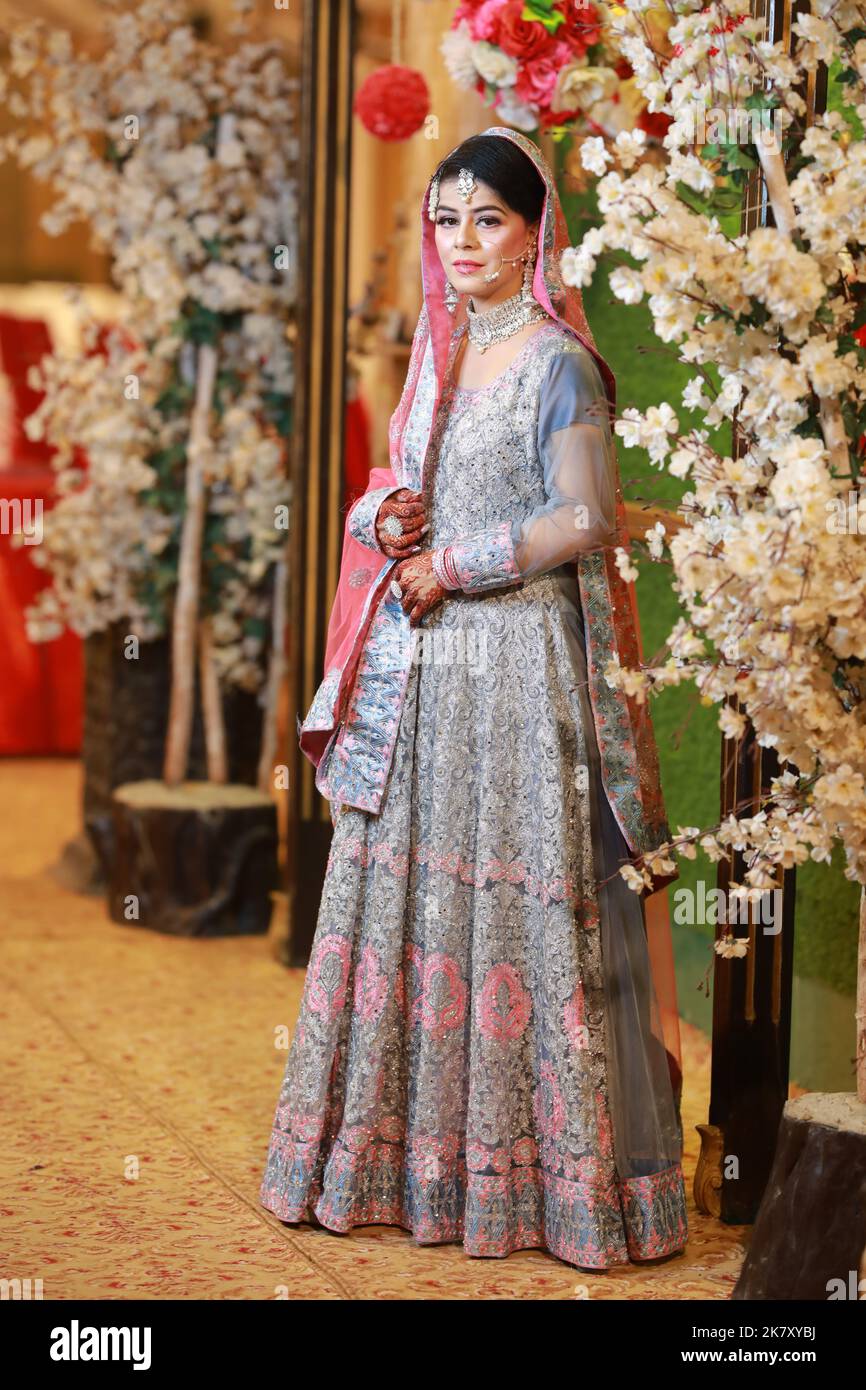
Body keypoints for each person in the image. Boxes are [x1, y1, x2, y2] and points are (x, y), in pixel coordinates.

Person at [259, 128, 688, 1271]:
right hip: (425, 677)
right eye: (445, 220)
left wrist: (452, 561)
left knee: (515, 912)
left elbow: (585, 516)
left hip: (514, 671)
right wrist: (387, 517)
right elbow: (406, 486)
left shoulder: (556, 362)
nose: (461, 243)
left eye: (486, 220)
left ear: (532, 231)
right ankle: (392, 1167)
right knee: (412, 903)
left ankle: (540, 1190)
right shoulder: (438, 352)